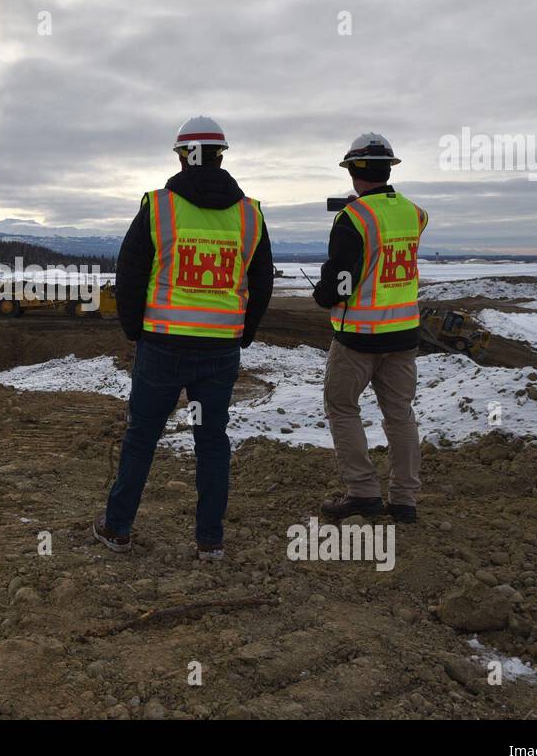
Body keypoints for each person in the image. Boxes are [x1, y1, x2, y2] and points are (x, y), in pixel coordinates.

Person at [93, 116, 274, 560]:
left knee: (142, 437)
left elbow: (130, 275)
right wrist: (244, 332)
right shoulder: (249, 213)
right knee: (211, 439)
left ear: (181, 155)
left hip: (163, 345)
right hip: (220, 350)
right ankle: (210, 541)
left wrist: (135, 329)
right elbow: (262, 280)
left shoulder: (158, 207)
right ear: (221, 155)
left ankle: (118, 529)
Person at [312, 132, 428, 523]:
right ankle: (405, 500)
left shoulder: (353, 218)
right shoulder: (415, 213)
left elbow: (341, 281)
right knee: (400, 414)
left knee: (342, 407)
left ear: (354, 170)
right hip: (405, 333)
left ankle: (363, 493)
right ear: (388, 168)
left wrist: (323, 295)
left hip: (358, 337)